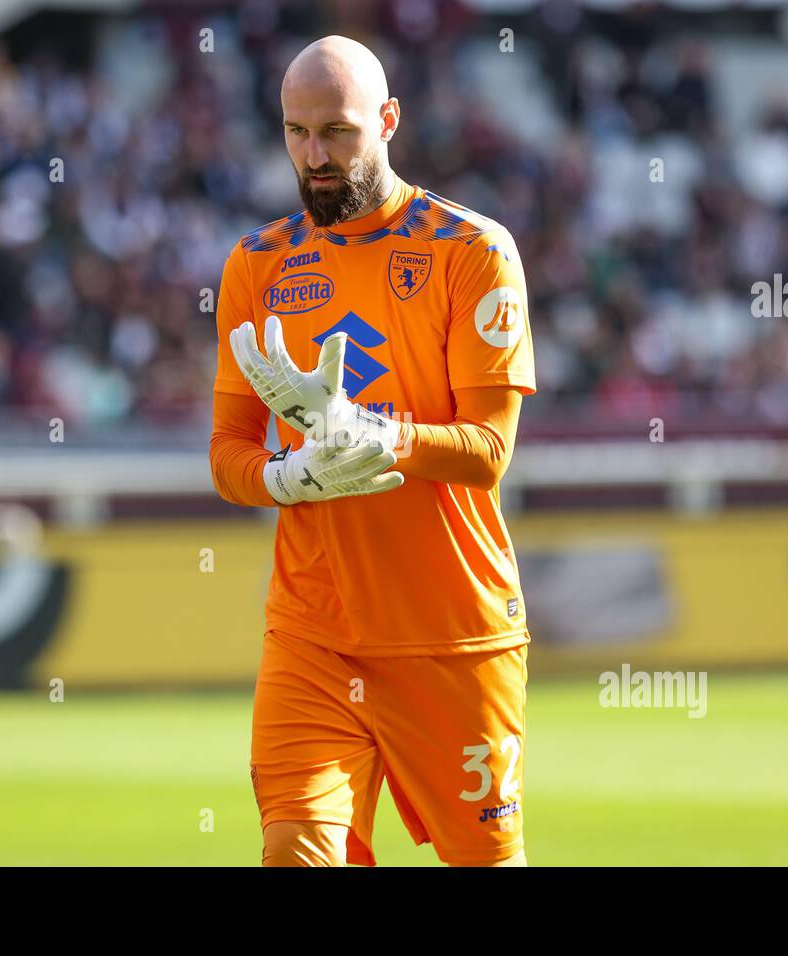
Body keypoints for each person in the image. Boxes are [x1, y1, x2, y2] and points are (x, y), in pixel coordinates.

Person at [208, 35, 535, 867]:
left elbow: (488, 449)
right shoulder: (257, 264)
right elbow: (227, 452)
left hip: (452, 635)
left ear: (388, 122)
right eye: (296, 133)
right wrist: (288, 476)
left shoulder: (473, 250)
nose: (314, 157)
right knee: (295, 853)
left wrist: (370, 434)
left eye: (338, 133)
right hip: (315, 634)